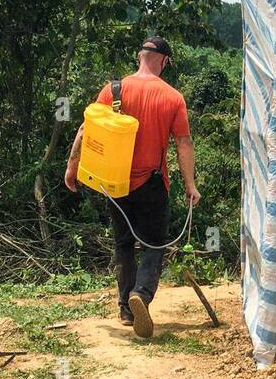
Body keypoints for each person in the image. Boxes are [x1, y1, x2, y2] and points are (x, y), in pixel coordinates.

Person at [64, 37, 201, 339]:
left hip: (115, 180)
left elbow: (87, 128)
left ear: (140, 57)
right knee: (154, 242)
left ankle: (126, 308)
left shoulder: (113, 90)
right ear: (164, 61)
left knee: (123, 242)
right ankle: (141, 293)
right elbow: (183, 143)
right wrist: (190, 184)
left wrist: (72, 167)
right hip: (152, 182)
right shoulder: (173, 98)